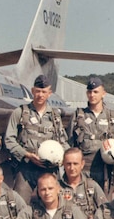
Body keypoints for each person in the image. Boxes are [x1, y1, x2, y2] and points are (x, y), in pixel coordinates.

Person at [4, 74, 69, 203]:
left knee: (52, 204)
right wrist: (26, 155)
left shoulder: (55, 117)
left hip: (49, 169)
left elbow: (63, 142)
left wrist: (62, 158)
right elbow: (9, 140)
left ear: (49, 93)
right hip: (26, 169)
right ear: (33, 91)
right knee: (20, 204)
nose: (40, 95)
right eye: (38, 91)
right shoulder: (20, 112)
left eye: (44, 92)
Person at [70, 76, 114, 191]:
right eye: (89, 92)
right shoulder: (79, 115)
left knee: (103, 204)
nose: (92, 95)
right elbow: (69, 143)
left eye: (95, 92)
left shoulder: (111, 117)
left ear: (103, 94)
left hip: (105, 170)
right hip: (83, 169)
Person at [60, 147, 108, 219]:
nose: (72, 168)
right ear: (63, 164)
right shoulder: (56, 187)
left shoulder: (91, 186)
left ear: (82, 164)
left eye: (75, 164)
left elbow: (105, 210)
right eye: (68, 164)